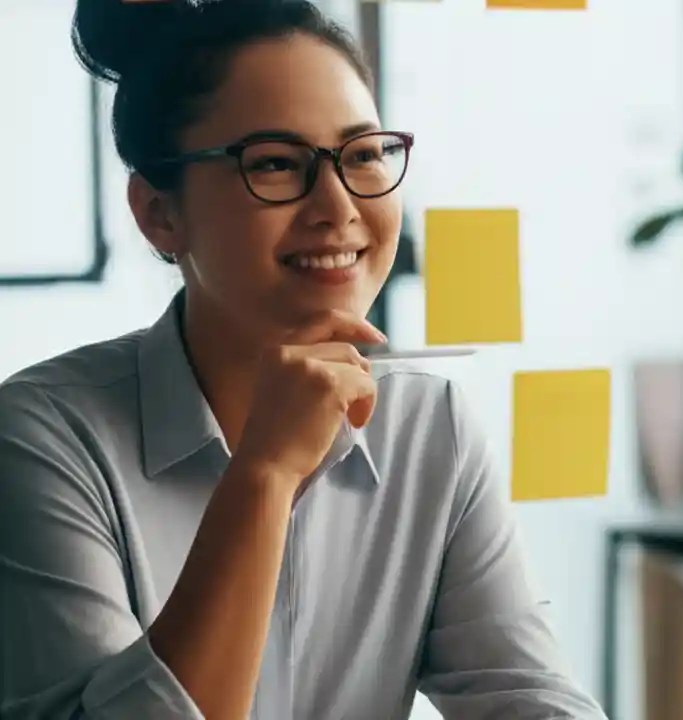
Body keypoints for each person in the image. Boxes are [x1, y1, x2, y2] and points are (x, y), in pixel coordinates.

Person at [0, 1, 607, 718]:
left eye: (364, 156)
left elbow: (528, 696)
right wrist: (266, 471)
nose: (338, 205)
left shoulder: (428, 424)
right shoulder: (41, 438)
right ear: (160, 212)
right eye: (277, 164)